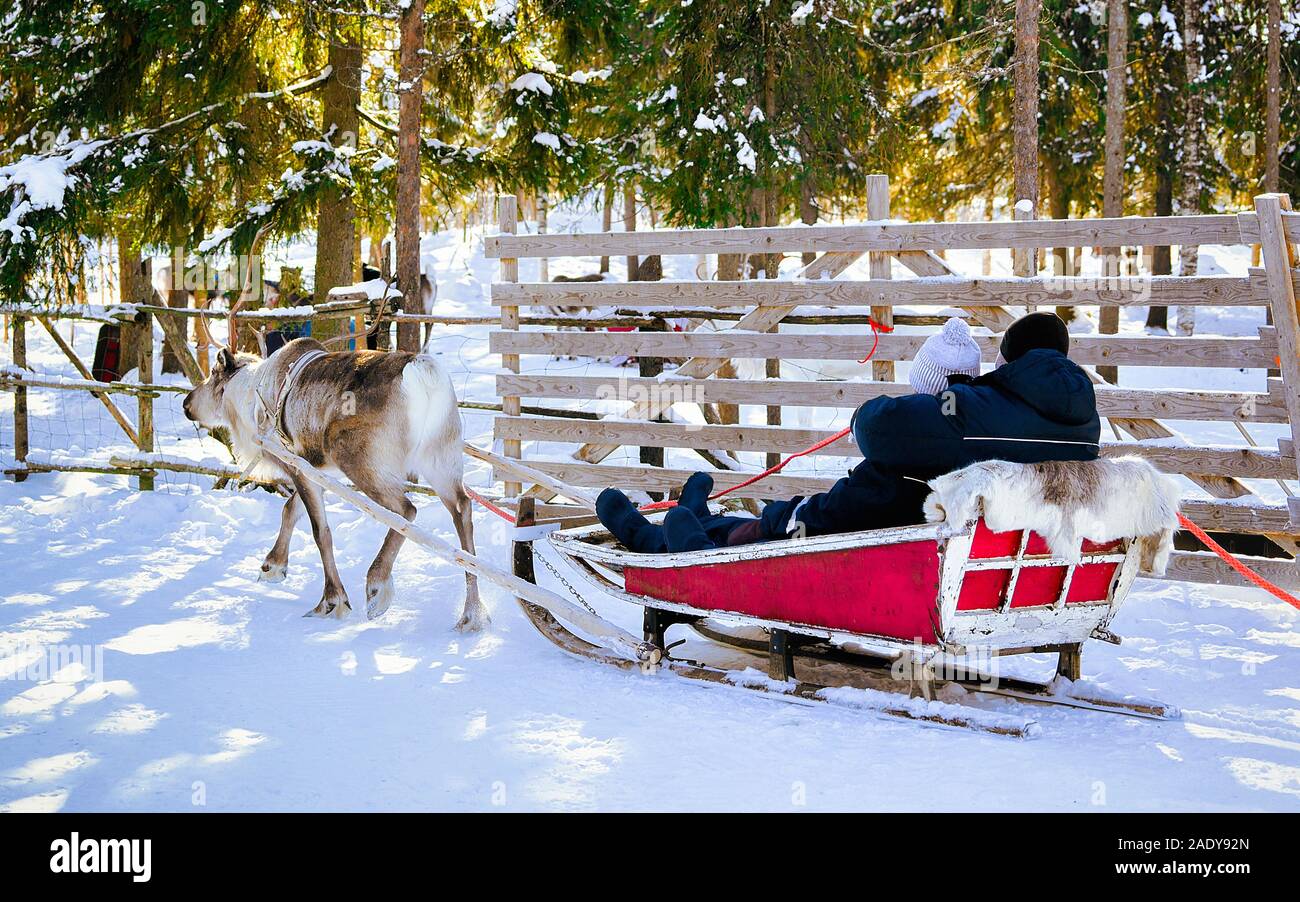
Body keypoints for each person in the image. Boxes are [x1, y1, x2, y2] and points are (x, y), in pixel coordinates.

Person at [596, 311, 1100, 553]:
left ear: (1011, 360)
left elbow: (886, 427)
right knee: (788, 516)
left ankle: (657, 536)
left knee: (780, 526)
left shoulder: (976, 413)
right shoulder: (1080, 420)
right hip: (969, 536)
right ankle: (700, 519)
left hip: (864, 534)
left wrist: (867, 416)